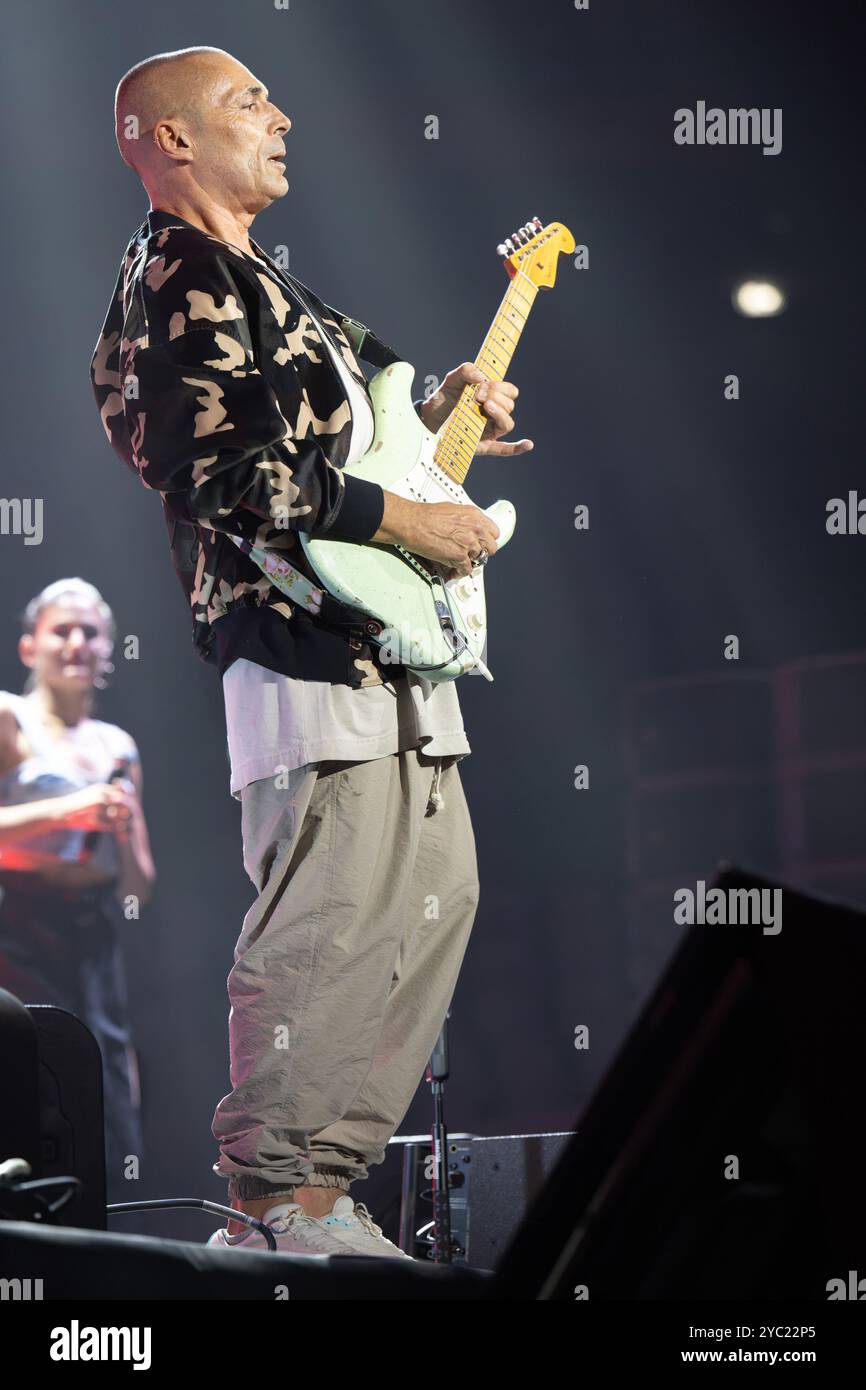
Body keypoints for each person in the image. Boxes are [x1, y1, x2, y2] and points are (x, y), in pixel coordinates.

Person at [90, 45, 533, 1257]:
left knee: (432, 897)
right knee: (330, 912)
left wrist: (445, 413)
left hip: (382, 633)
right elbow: (218, 467)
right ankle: (273, 1197)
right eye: (248, 101)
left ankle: (327, 1187)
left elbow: (358, 438)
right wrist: (404, 520)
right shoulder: (174, 272)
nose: (281, 116)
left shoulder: (272, 284)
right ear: (169, 137)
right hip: (292, 634)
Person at [0, 578, 156, 1202]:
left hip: (91, 930)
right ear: (29, 645)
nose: (75, 642)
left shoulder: (116, 746)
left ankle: (113, 1231)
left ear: (107, 650)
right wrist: (75, 808)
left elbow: (139, 887)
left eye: (89, 632)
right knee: (24, 1066)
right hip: (18, 927)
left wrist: (121, 824)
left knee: (106, 1080)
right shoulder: (8, 716)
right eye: (61, 629)